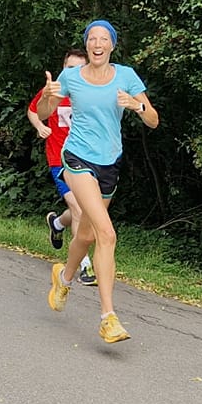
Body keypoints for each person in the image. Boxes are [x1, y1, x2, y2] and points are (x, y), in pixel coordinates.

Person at [36, 19, 159, 343]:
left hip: (109, 163)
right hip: (76, 157)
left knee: (87, 233)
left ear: (112, 45)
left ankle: (63, 278)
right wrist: (49, 96)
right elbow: (46, 111)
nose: (98, 43)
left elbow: (153, 119)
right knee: (106, 233)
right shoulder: (71, 77)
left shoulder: (126, 76)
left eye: (104, 38)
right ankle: (108, 318)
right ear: (88, 44)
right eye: (93, 38)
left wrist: (137, 104)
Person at [29, 48, 94, 286]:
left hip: (86, 161)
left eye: (79, 69)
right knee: (79, 209)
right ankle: (86, 265)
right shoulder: (55, 91)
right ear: (62, 69)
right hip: (60, 160)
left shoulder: (89, 94)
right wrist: (39, 126)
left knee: (82, 210)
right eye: (69, 68)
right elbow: (33, 109)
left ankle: (57, 223)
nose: (73, 73)